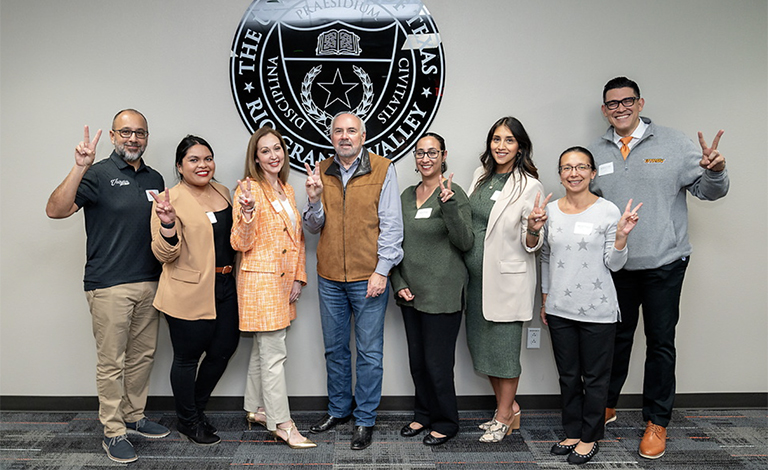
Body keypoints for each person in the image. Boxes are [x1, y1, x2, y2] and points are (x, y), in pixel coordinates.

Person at [589, 76, 729, 459]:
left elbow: (707, 191)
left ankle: (657, 421)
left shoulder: (674, 143)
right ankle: (607, 404)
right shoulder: (596, 151)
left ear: (640, 103)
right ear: (605, 109)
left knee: (660, 343)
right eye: (612, 103)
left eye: (627, 101)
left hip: (664, 264)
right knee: (614, 341)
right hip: (616, 265)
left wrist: (715, 170)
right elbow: (590, 205)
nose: (620, 108)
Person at [45, 110, 170, 463]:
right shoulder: (97, 174)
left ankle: (134, 416)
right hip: (109, 285)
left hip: (150, 282)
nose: (133, 139)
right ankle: (113, 432)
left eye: (140, 133)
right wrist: (80, 166)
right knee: (112, 362)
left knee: (143, 357)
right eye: (126, 132)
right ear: (114, 136)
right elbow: (56, 210)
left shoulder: (155, 177)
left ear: (147, 137)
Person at [303, 111, 404, 450]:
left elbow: (392, 225)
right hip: (329, 276)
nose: (344, 136)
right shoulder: (320, 170)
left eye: (351, 131)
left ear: (363, 136)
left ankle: (364, 419)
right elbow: (313, 226)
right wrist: (315, 200)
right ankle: (338, 410)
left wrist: (382, 270)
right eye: (338, 131)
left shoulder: (383, 169)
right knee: (334, 350)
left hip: (368, 278)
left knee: (369, 353)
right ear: (331, 136)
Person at [540, 146, 641, 465]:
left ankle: (590, 435)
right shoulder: (551, 211)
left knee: (596, 377)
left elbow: (614, 264)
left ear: (593, 173)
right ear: (560, 174)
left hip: (598, 310)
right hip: (559, 309)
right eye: (566, 168)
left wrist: (622, 237)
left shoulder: (609, 211)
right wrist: (545, 298)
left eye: (581, 167)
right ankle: (572, 432)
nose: (574, 173)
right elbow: (544, 256)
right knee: (568, 376)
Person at [150, 135, 240, 446]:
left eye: (207, 158)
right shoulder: (168, 200)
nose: (202, 165)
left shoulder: (223, 191)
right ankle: (188, 422)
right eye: (193, 160)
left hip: (226, 285)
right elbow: (164, 254)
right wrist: (167, 226)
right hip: (188, 290)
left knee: (223, 350)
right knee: (187, 358)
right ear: (179, 166)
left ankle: (196, 410)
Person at [231, 128, 316, 449]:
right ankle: (283, 423)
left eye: (277, 148)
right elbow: (239, 242)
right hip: (259, 283)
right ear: (255, 157)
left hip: (282, 283)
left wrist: (298, 277)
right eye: (265, 151)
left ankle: (257, 408)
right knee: (274, 354)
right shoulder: (248, 190)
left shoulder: (286, 190)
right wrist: (248, 213)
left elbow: (297, 240)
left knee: (264, 349)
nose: (273, 155)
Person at [465, 116, 548, 443]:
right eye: (496, 139)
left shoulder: (530, 185)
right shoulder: (479, 177)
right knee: (482, 350)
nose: (501, 146)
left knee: (504, 352)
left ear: (520, 147)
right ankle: (509, 408)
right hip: (474, 284)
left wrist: (534, 229)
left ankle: (503, 416)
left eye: (509, 140)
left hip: (507, 282)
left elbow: (534, 245)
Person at [390, 133, 473, 446]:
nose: (425, 158)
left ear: (443, 155)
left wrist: (449, 205)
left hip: (443, 293)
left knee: (438, 364)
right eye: (420, 153)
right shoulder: (406, 195)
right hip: (411, 294)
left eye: (432, 153)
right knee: (418, 362)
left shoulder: (454, 193)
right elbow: (393, 242)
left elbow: (465, 241)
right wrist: (398, 283)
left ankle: (446, 421)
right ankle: (423, 414)